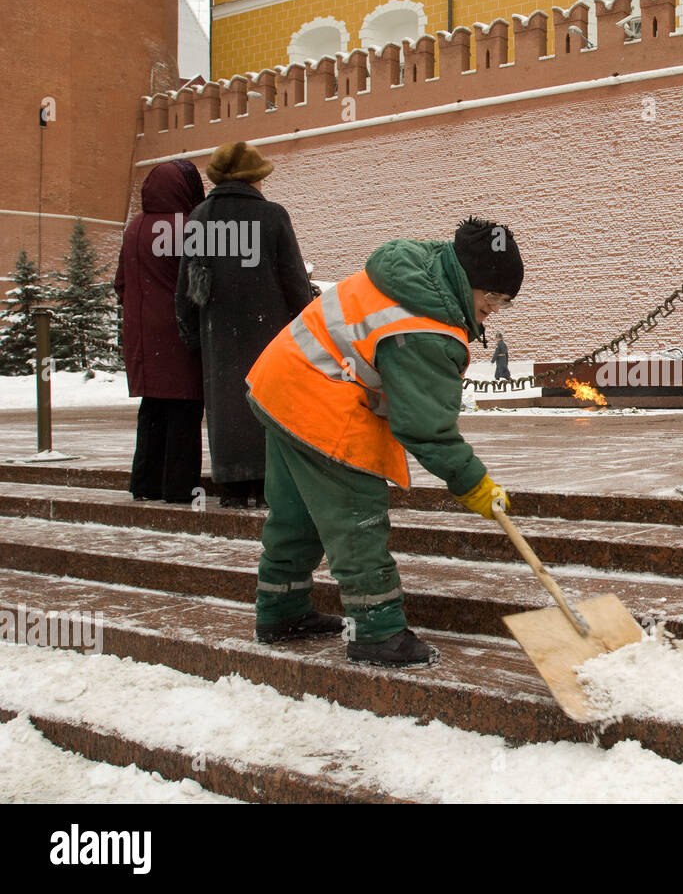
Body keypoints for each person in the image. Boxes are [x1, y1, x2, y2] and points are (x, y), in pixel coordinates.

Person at [244, 217, 523, 665]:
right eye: (493, 297)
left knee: (297, 515)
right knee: (357, 514)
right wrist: (474, 483)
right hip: (320, 400)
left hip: (282, 384)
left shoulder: (415, 275)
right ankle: (376, 631)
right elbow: (425, 427)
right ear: (470, 281)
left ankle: (282, 610)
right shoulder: (427, 325)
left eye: (505, 302)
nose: (495, 309)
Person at [176, 142, 314, 507]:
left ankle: (234, 485)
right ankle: (269, 484)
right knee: (267, 402)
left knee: (226, 406)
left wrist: (193, 334)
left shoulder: (200, 217)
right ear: (256, 179)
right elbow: (294, 278)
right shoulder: (272, 216)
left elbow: (187, 286)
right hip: (269, 333)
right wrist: (309, 325)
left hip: (218, 335)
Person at [115, 160, 206, 503]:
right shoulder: (188, 227)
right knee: (184, 408)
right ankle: (179, 486)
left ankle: (145, 482)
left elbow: (120, 282)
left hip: (142, 334)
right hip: (177, 333)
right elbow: (200, 283)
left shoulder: (135, 227)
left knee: (152, 408)